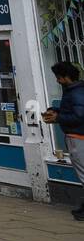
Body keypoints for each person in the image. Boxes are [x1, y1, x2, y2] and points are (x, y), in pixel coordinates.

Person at [42, 61, 84, 220]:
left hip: (77, 138)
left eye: (59, 77)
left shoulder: (76, 93)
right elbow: (74, 111)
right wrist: (57, 111)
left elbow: (79, 116)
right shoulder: (74, 90)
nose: (57, 81)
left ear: (66, 77)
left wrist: (58, 117)